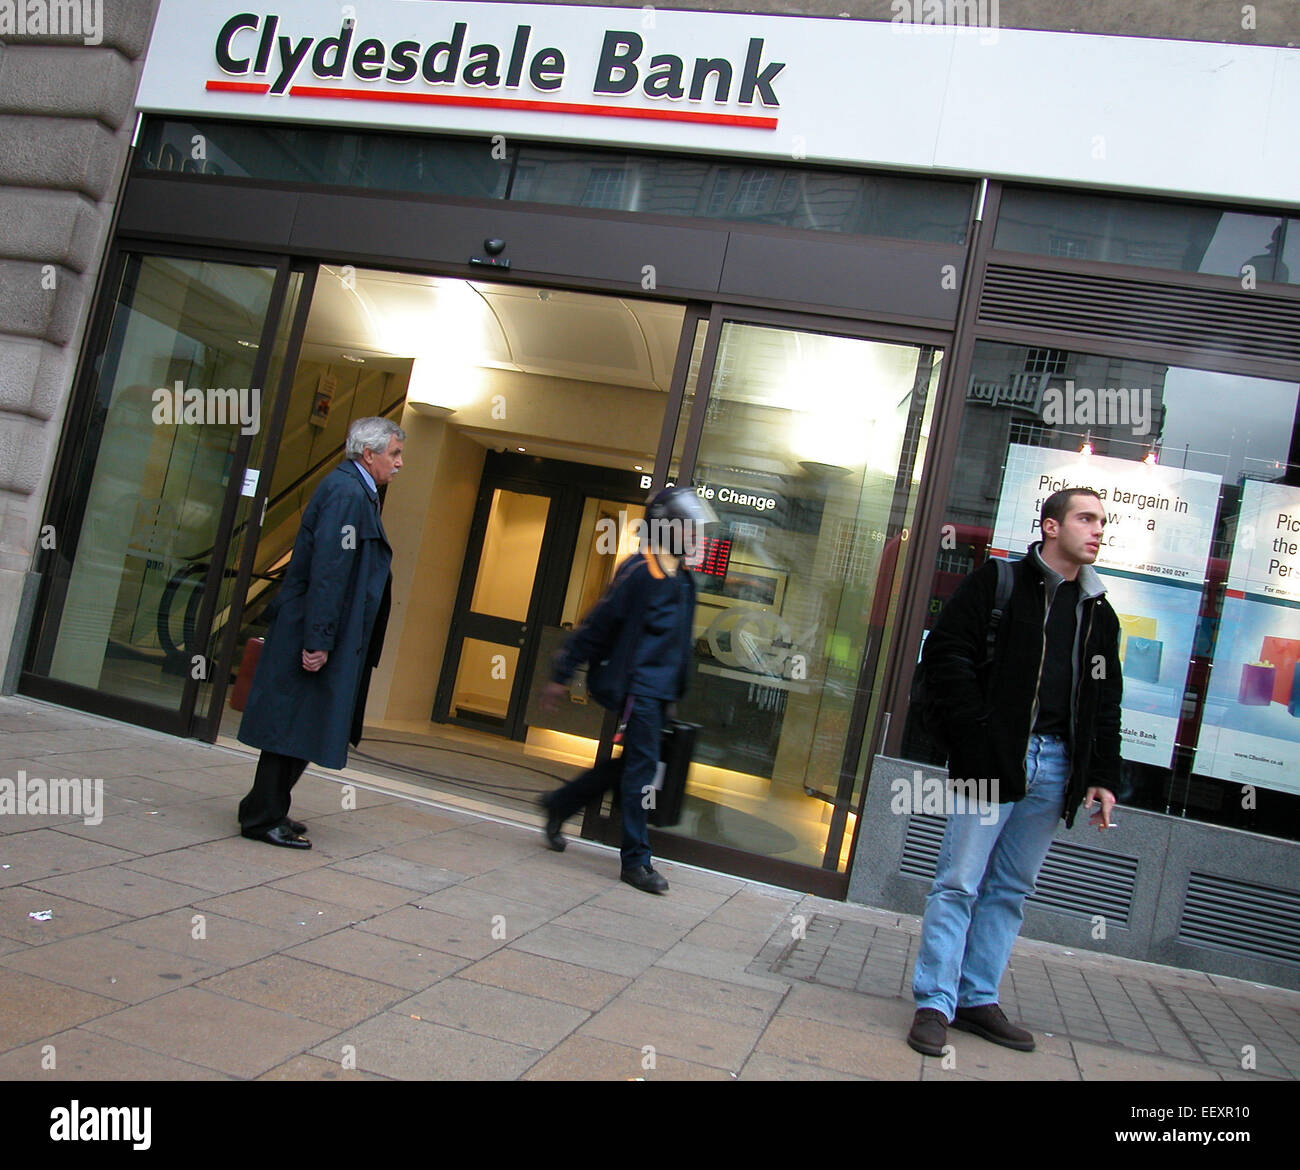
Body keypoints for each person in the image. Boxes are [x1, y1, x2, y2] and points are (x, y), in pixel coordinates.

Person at [907, 487, 1122, 1056]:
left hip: (1056, 767)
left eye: (1102, 521)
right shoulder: (996, 583)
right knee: (958, 881)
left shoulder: (1098, 612)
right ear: (1051, 527)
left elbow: (1105, 702)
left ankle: (977, 999)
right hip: (992, 758)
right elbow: (947, 658)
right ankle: (935, 1002)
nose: (1098, 529)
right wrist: (976, 740)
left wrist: (1100, 775)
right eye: (1086, 518)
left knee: (1010, 890)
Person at [236, 417, 404, 849]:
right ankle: (261, 816)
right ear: (369, 454)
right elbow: (330, 571)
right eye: (394, 454)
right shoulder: (348, 492)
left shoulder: (356, 491)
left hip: (327, 631)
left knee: (303, 724)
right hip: (315, 632)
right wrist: (318, 640)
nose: (399, 463)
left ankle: (268, 808)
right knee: (292, 724)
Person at [538, 485, 715, 894]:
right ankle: (636, 861)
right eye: (689, 528)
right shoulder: (640, 572)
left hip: (661, 692)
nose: (695, 535)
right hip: (640, 691)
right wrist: (561, 674)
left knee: (629, 766)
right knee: (640, 774)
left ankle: (559, 803)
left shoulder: (683, 579)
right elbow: (598, 625)